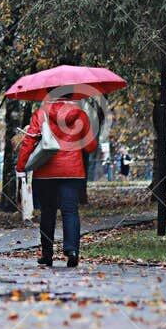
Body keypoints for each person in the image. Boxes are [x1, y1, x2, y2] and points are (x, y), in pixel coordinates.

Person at [16, 96, 101, 268]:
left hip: (45, 173)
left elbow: (29, 142)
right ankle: (72, 251)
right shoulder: (80, 115)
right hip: (73, 171)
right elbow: (90, 146)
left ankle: (47, 255)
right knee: (70, 211)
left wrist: (21, 166)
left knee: (48, 212)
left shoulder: (40, 114)